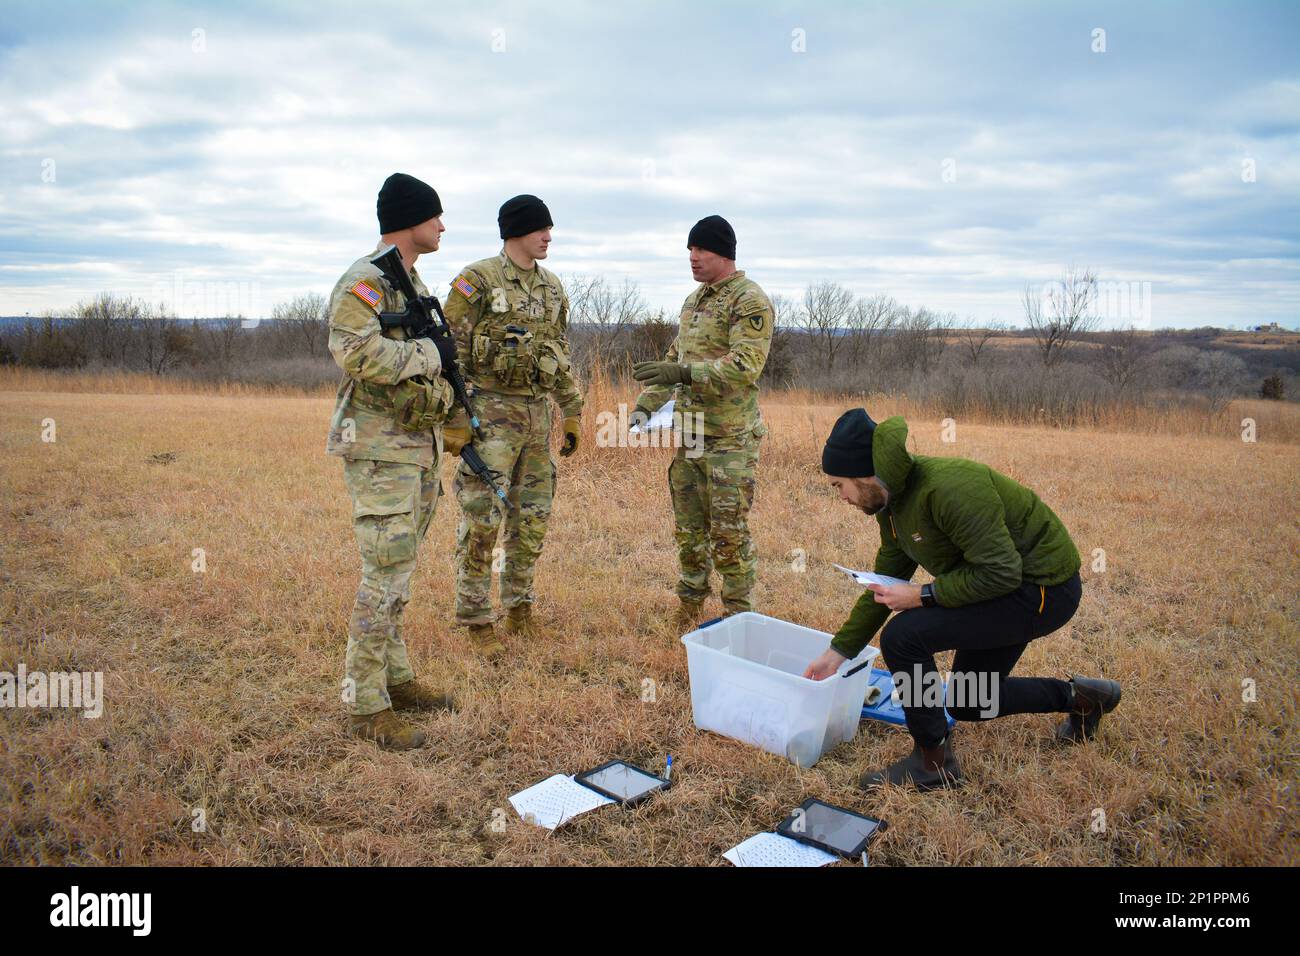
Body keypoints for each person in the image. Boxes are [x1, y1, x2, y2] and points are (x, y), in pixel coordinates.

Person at [803, 409, 1122, 791]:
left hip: (1042, 590)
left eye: (839, 485)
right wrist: (837, 654)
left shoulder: (950, 488)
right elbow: (884, 586)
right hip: (1002, 587)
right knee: (969, 700)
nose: (841, 497)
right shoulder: (891, 508)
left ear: (865, 475)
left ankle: (932, 762)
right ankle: (1085, 697)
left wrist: (923, 595)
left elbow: (1001, 572)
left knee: (903, 637)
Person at [325, 172, 460, 750]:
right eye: (435, 216)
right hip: (380, 450)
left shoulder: (412, 281)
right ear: (409, 220)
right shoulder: (366, 281)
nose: (443, 226)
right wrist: (431, 352)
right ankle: (365, 704)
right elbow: (355, 351)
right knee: (383, 574)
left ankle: (396, 680)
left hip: (414, 448)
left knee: (400, 572)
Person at [440, 195, 584, 657]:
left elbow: (558, 353)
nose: (548, 237)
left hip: (537, 418)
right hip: (489, 417)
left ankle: (519, 607)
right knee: (483, 518)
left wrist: (573, 409)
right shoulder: (476, 280)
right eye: (542, 229)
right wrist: (456, 415)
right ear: (517, 231)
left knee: (532, 517)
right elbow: (448, 351)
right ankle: (476, 617)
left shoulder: (553, 288)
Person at [632, 216, 774, 629]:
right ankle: (690, 600)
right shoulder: (694, 301)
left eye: (702, 250)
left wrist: (685, 376)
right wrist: (646, 403)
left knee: (728, 533)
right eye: (690, 250)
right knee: (690, 529)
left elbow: (745, 366)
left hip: (730, 438)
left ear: (724, 253)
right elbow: (675, 360)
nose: (693, 258)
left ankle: (738, 615)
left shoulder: (748, 300)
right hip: (691, 433)